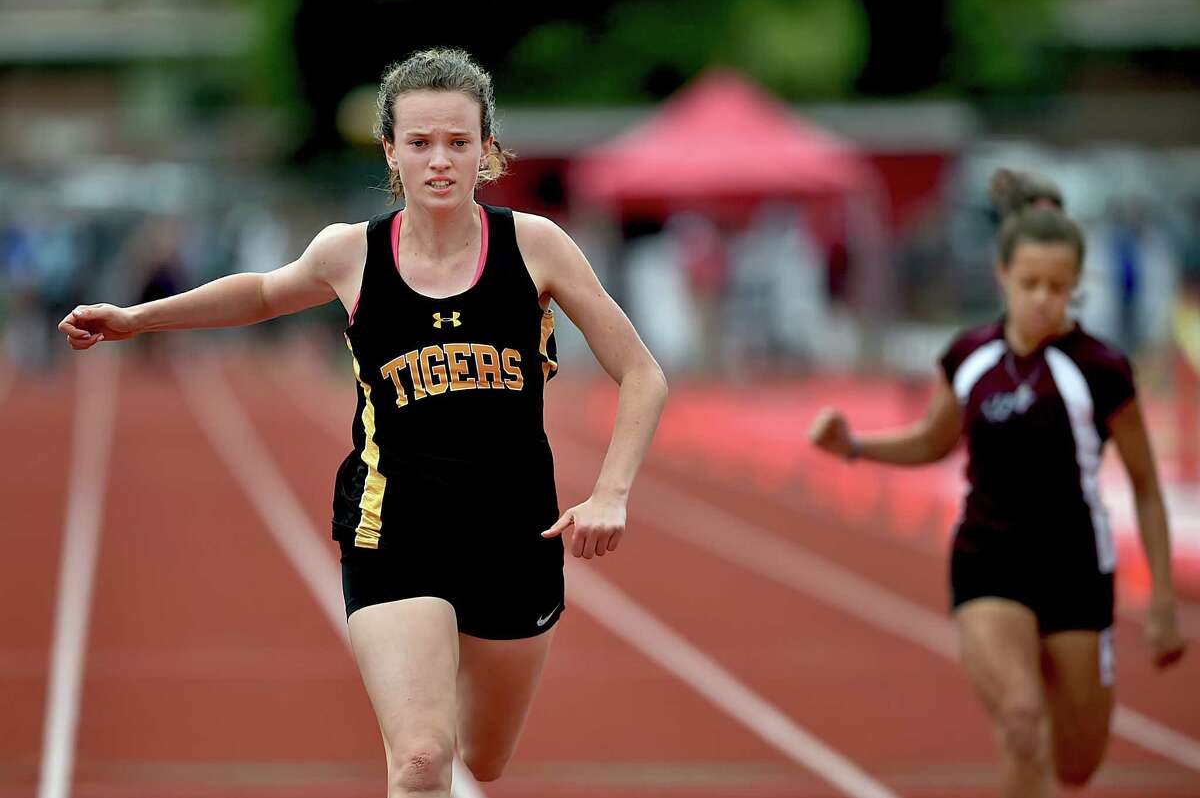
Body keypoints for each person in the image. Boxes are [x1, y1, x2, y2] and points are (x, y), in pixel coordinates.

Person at [58, 47, 668, 797]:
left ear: (486, 150)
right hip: (392, 530)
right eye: (419, 143)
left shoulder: (535, 247)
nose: (438, 161)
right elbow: (258, 293)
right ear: (390, 150)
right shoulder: (351, 253)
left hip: (515, 535)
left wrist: (612, 490)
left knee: (482, 756)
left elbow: (641, 372)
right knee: (419, 760)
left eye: (457, 142)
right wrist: (135, 319)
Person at [809, 169, 1185, 797]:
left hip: (1074, 571)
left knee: (1074, 764)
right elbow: (933, 440)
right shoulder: (970, 357)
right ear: (1002, 276)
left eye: (1059, 287)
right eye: (1030, 283)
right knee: (1019, 723)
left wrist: (1166, 599)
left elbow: (1147, 486)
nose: (1043, 299)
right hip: (989, 560)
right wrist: (853, 446)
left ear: (1077, 287)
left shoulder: (1101, 370)